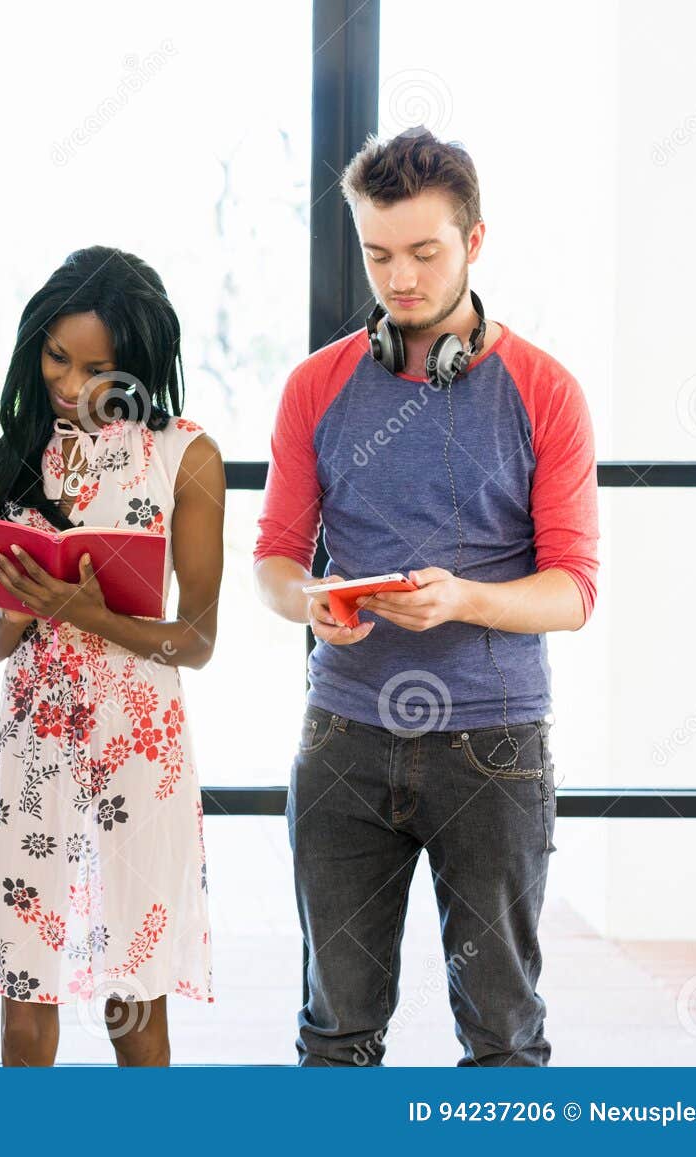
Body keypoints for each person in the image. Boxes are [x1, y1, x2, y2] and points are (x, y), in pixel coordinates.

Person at [253, 127, 600, 1066]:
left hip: (493, 749)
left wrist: (466, 601)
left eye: (423, 253)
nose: (399, 279)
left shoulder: (547, 391)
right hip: (344, 741)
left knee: (502, 1034)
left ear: (475, 242)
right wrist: (309, 599)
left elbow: (573, 591)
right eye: (377, 254)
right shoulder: (314, 387)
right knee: (335, 1032)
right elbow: (274, 559)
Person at [0, 246, 225, 1066]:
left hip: (139, 752)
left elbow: (198, 640)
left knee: (134, 1002)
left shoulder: (186, 458)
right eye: (56, 357)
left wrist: (87, 612)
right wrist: (22, 612)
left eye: (97, 367)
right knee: (24, 995)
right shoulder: (0, 465)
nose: (70, 385)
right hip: (35, 747)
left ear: (140, 365)